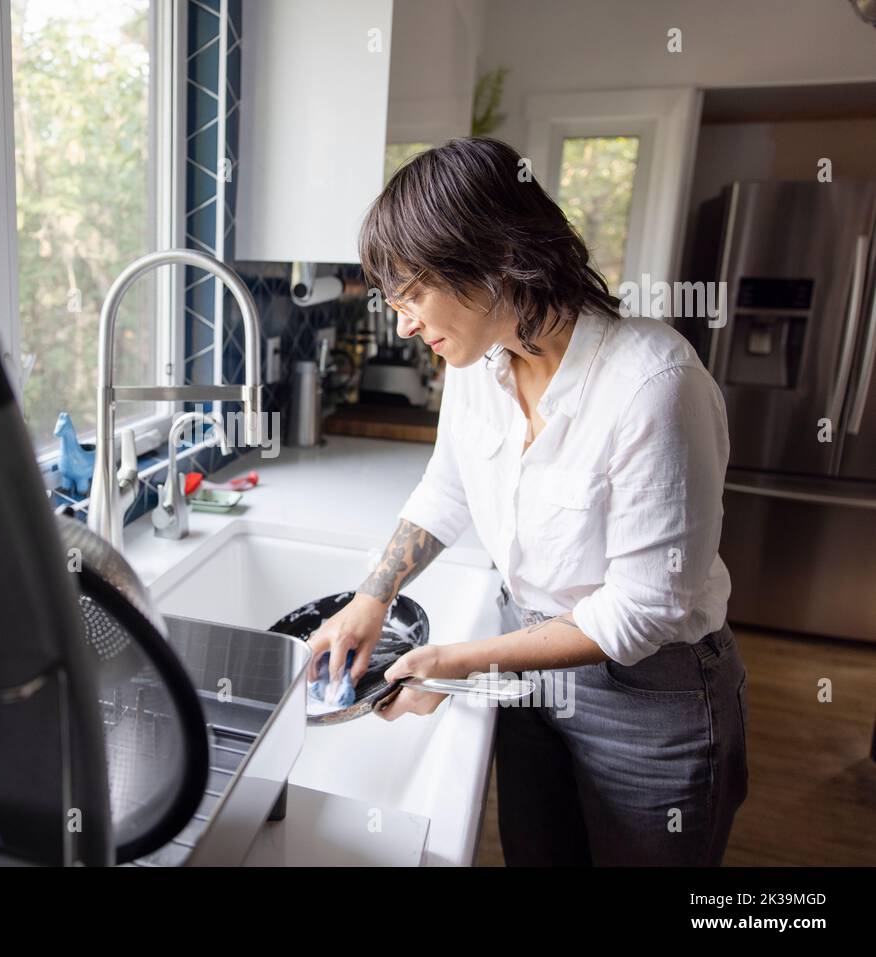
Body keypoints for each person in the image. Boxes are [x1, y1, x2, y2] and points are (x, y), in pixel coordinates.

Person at [306, 137, 748, 866]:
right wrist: (372, 596)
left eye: (414, 293)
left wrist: (457, 663)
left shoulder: (653, 385)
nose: (404, 323)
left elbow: (643, 609)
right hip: (527, 669)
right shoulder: (478, 363)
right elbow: (448, 485)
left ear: (493, 258)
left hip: (651, 700)